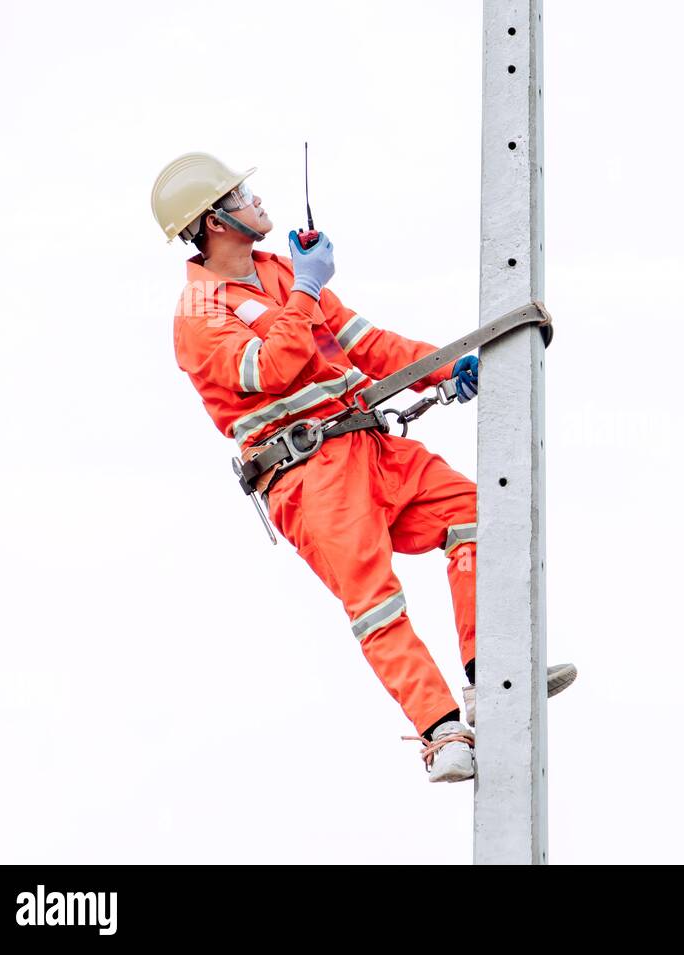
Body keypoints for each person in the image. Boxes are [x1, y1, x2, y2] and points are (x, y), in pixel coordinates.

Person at [151, 152, 576, 783]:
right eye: (241, 194)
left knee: (475, 512)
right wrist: (307, 289)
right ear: (214, 221)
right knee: (376, 604)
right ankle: (441, 731)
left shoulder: (279, 275)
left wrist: (450, 364)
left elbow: (366, 346)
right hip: (307, 478)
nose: (257, 200)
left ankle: (492, 675)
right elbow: (272, 368)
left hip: (371, 448)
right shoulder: (200, 314)